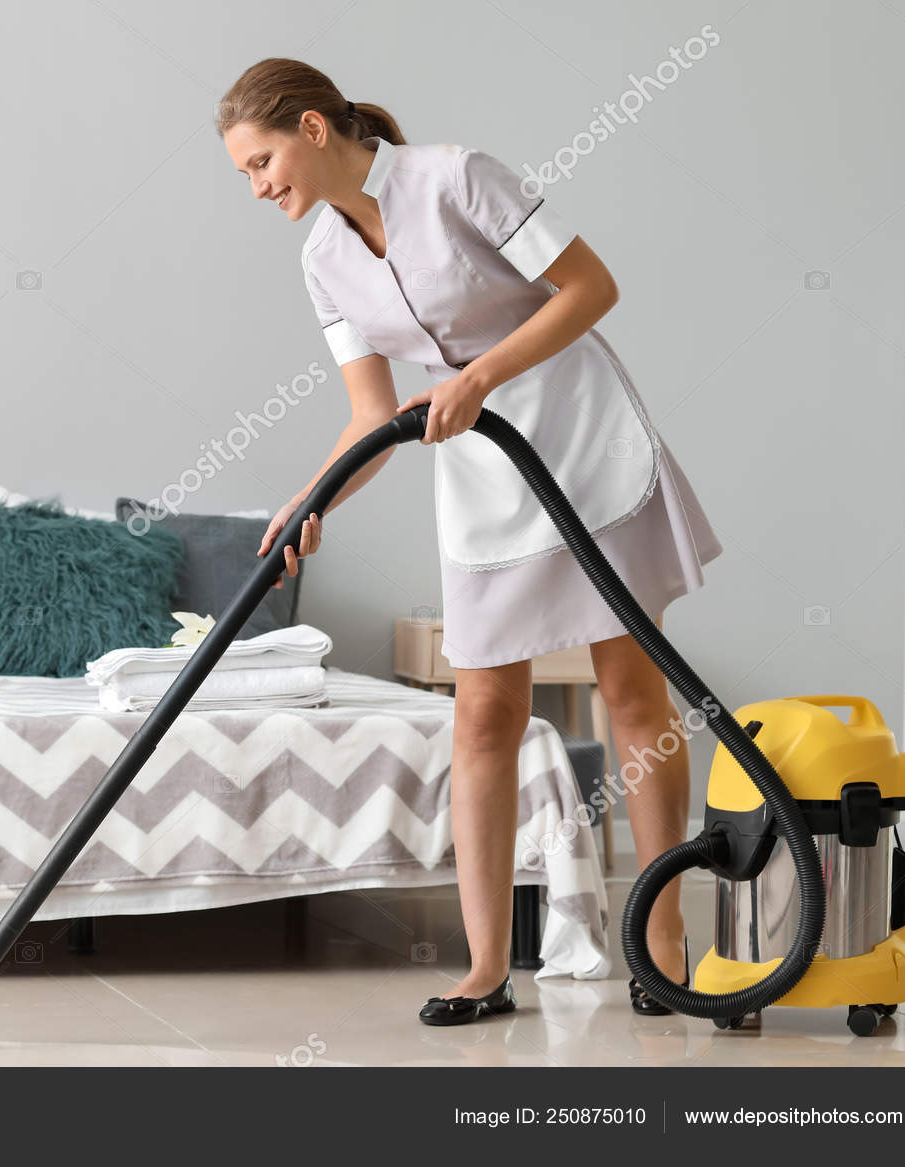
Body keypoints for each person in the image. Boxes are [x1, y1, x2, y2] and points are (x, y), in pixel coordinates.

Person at [219, 59, 723, 1024]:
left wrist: (481, 376)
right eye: (244, 173)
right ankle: (487, 967)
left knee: (629, 685)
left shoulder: (455, 177)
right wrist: (314, 497)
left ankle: (664, 942)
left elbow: (589, 287)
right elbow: (371, 413)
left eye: (263, 160)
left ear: (316, 129)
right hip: (481, 467)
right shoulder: (322, 257)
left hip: (575, 435)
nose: (258, 186)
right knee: (483, 712)